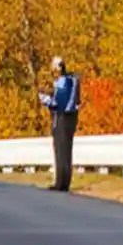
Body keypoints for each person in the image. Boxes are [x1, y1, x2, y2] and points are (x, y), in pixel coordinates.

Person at [39, 56, 80, 192]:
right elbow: (77, 101)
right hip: (72, 117)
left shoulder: (63, 82)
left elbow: (57, 103)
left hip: (61, 118)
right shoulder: (74, 80)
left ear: (58, 67)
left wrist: (45, 100)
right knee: (67, 151)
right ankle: (65, 181)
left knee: (60, 151)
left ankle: (60, 182)